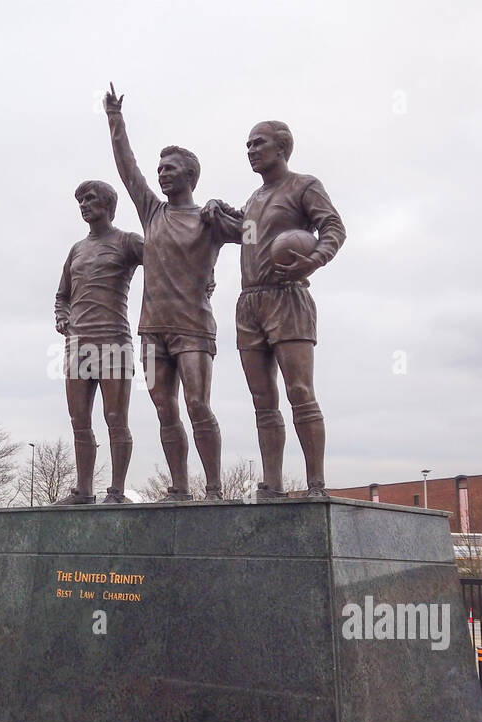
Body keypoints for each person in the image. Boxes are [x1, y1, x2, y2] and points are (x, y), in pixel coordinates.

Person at [202, 120, 346, 497]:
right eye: (247, 144)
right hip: (250, 303)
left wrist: (313, 259)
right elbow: (243, 230)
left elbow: (334, 227)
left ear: (282, 148)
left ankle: (316, 483)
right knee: (262, 399)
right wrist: (217, 208)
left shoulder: (304, 185)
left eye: (258, 143)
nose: (250, 150)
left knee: (300, 391)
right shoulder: (253, 199)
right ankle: (273, 483)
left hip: (288, 297)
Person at [104, 83, 229, 500]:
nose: (161, 174)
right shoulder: (152, 212)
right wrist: (115, 120)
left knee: (198, 406)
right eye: (160, 170)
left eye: (170, 168)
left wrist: (225, 209)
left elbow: (254, 229)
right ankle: (179, 487)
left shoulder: (208, 219)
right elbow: (128, 169)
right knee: (164, 410)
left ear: (190, 176)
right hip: (151, 329)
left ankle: (213, 488)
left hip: (193, 327)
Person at [52, 180, 144, 504]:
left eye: (90, 199)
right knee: (79, 421)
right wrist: (62, 317)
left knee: (116, 418)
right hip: (77, 345)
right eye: (80, 200)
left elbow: (164, 263)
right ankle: (83, 490)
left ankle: (117, 491)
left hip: (114, 342)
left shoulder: (128, 241)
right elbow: (62, 296)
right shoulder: (76, 250)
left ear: (107, 204)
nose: (83, 204)